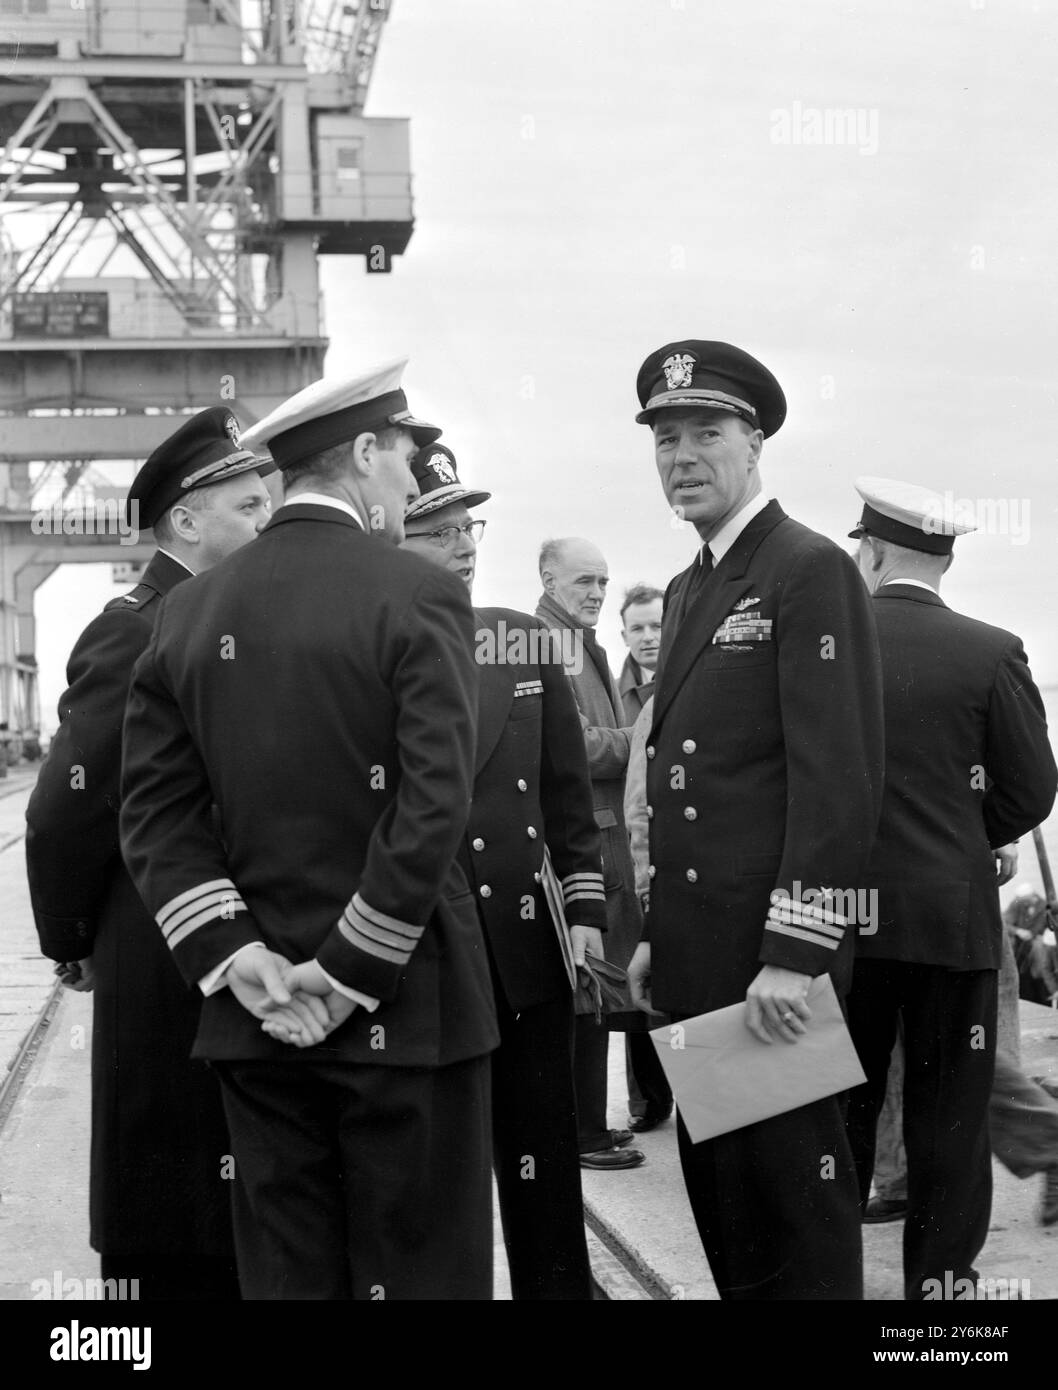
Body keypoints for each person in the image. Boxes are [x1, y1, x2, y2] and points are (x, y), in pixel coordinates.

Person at [119, 362, 499, 1300]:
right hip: (408, 1008)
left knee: (289, 1277)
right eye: (406, 462)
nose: (413, 488)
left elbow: (155, 813)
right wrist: (349, 969)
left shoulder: (186, 613)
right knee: (419, 1275)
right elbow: (432, 801)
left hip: (255, 1019)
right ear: (365, 454)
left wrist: (234, 955)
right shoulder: (417, 596)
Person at [626, 339, 885, 1300]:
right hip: (700, 953)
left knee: (796, 1209)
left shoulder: (806, 569)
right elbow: (686, 783)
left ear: (756, 443)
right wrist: (656, 934)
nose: (682, 456)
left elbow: (839, 777)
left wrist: (798, 949)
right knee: (726, 1204)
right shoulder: (695, 582)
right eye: (665, 440)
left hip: (771, 961)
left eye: (705, 433)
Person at [25, 407, 274, 1299]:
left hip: (231, 949)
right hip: (157, 953)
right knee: (164, 1195)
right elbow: (63, 812)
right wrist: (72, 940)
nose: (264, 523)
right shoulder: (136, 628)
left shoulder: (228, 614)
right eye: (247, 507)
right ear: (186, 520)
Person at [841, 476, 1058, 1300]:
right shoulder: (992, 649)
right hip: (949, 921)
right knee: (951, 1120)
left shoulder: (830, 640)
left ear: (871, 548)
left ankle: (831, 1279)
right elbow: (1033, 787)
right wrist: (975, 835)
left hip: (837, 923)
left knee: (841, 1111)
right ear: (943, 560)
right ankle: (940, 1293)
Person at [401, 442, 605, 1300]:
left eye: (468, 525)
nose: (463, 543)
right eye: (437, 529)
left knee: (541, 1153)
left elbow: (566, 795)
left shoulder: (522, 640)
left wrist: (587, 907)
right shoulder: (376, 644)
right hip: (424, 951)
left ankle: (559, 1288)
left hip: (522, 946)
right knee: (432, 1169)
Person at [536, 540, 646, 1172]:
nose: (598, 594)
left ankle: (594, 1125)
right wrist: (645, 737)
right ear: (549, 579)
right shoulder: (549, 644)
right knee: (590, 986)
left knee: (599, 989)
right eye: (583, 582)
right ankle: (584, 1133)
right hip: (586, 845)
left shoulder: (577, 642)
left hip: (601, 839)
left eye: (604, 581)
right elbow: (572, 746)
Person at [617, 586, 674, 1133]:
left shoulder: (666, 694)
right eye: (638, 628)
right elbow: (638, 804)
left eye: (657, 626)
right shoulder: (624, 694)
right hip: (647, 862)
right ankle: (648, 1099)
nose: (649, 637)